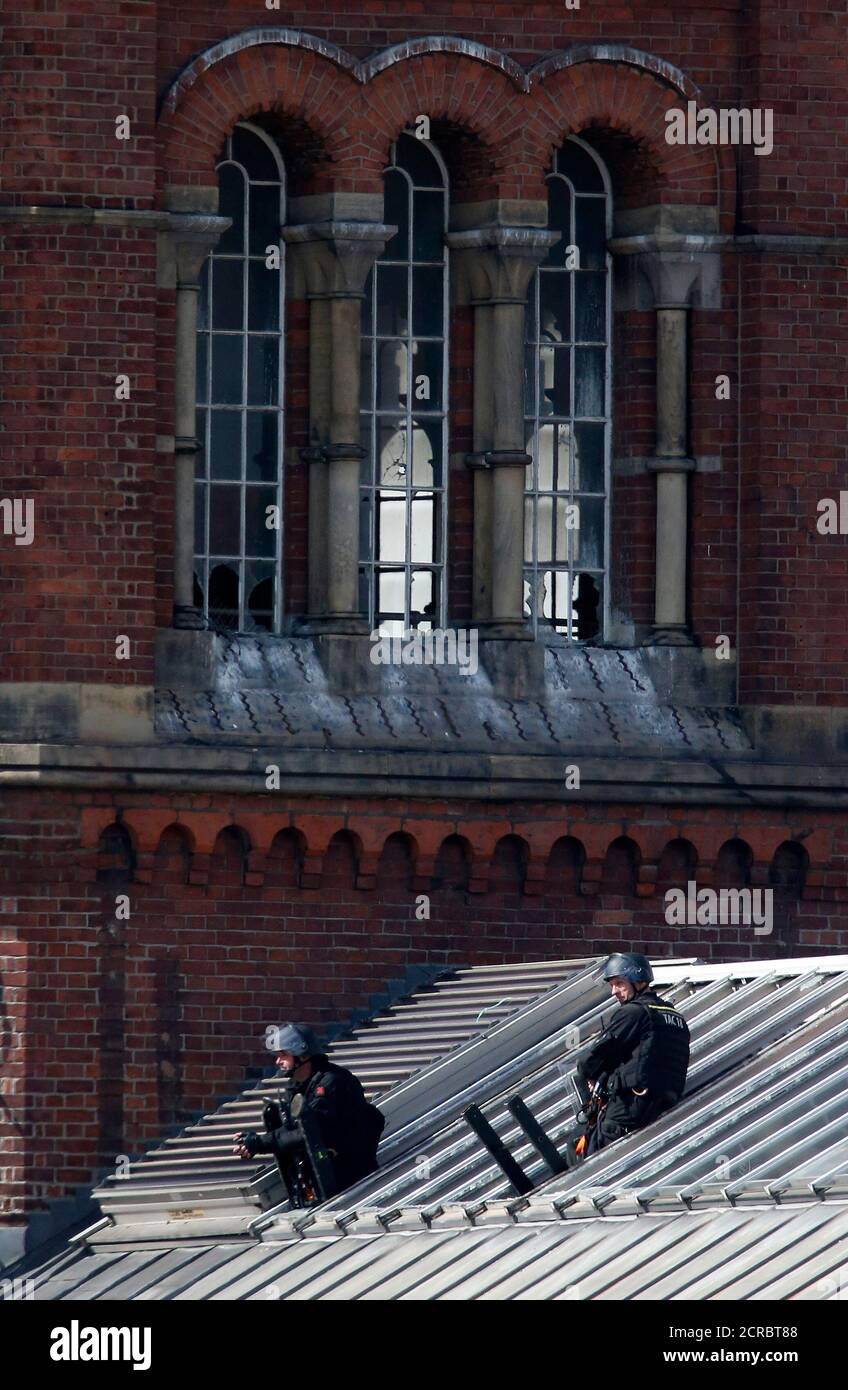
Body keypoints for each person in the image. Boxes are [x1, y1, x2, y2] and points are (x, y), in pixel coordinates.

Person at [233, 1023, 384, 1200]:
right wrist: (256, 1141)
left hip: (349, 1181)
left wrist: (260, 1143)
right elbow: (293, 1129)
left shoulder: (332, 1083)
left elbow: (309, 1130)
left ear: (301, 1054)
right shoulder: (301, 1086)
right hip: (324, 1184)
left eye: (283, 1055)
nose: (278, 1061)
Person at [568, 953, 690, 1162]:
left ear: (639, 982)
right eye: (612, 985)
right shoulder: (674, 1017)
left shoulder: (634, 1013)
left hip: (629, 1106)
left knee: (586, 1152)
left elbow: (596, 1056)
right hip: (663, 1108)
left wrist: (588, 1074)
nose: (614, 991)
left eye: (620, 983)